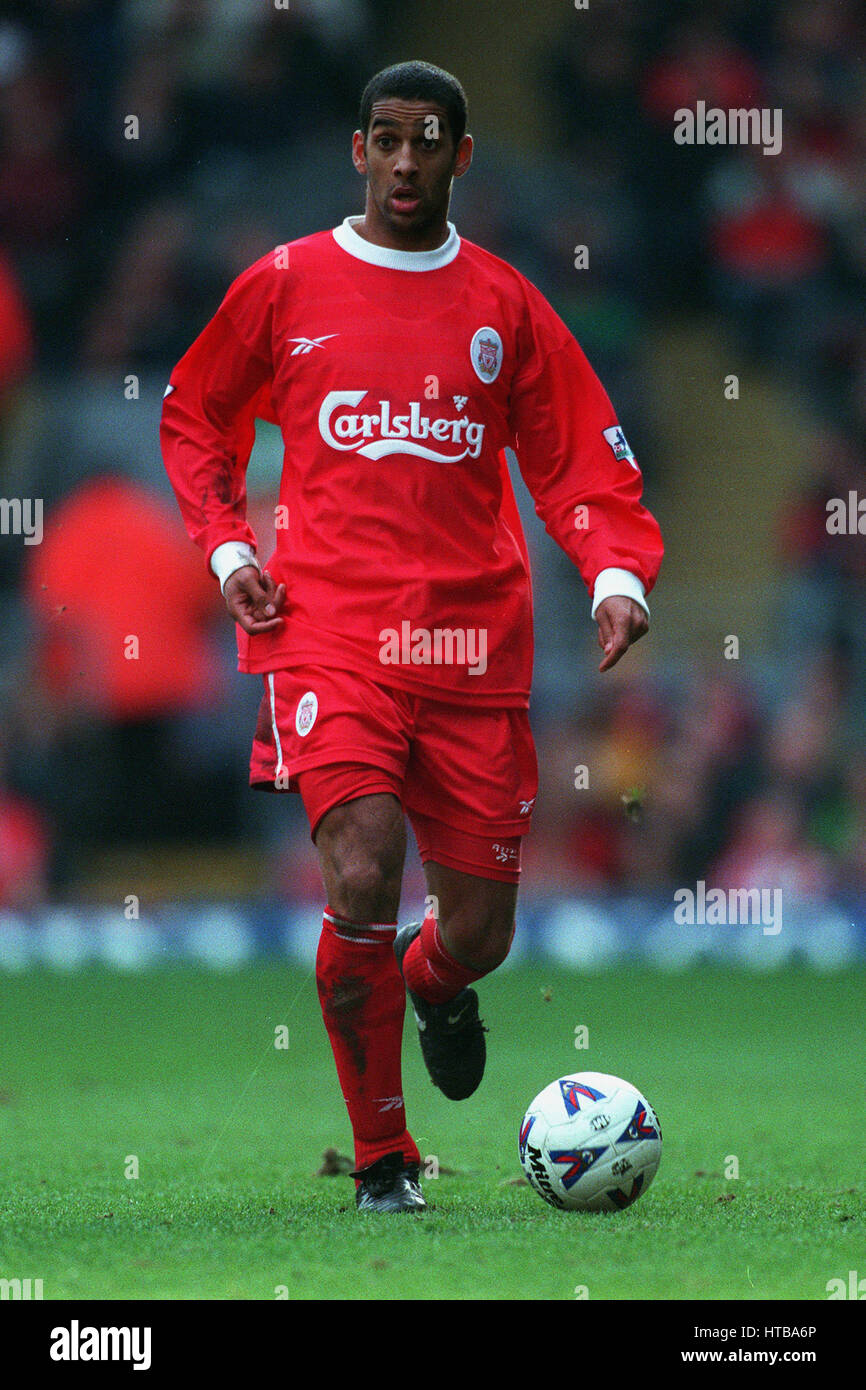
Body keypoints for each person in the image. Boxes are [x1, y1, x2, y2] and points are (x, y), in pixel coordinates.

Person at [161, 60, 663, 1214]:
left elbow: (576, 449)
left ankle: (434, 982)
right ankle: (383, 1158)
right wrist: (231, 552)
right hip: (328, 636)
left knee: (478, 931)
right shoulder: (283, 285)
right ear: (356, 150)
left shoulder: (503, 304)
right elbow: (195, 415)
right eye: (384, 139)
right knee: (360, 867)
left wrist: (615, 571)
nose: (402, 161)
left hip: (472, 653)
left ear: (460, 158)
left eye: (426, 142)